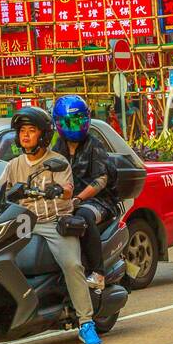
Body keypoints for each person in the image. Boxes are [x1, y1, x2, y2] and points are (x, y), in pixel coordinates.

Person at [1, 107, 102, 344]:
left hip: (53, 222)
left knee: (71, 264)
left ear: (43, 136)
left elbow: (67, 188)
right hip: (23, 223)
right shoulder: (13, 165)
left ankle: (86, 322)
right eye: (22, 131)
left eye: (31, 131)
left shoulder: (56, 162)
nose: (25, 136)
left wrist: (60, 191)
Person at [51, 94, 118, 292]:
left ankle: (98, 273)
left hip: (98, 201)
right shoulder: (58, 148)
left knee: (83, 217)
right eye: (69, 122)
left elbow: (101, 180)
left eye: (78, 121)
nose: (74, 126)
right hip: (66, 200)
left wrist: (78, 199)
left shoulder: (94, 144)